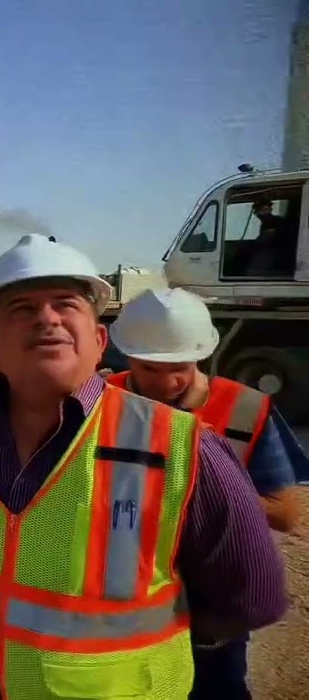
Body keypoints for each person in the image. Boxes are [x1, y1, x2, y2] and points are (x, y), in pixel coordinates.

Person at [0, 234, 288, 699]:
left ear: (99, 342)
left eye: (66, 304)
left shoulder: (179, 445)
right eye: (21, 308)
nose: (47, 318)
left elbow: (250, 595)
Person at [105, 286, 309, 700]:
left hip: (209, 609)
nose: (166, 381)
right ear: (127, 357)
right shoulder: (100, 401)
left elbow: (285, 513)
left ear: (201, 354)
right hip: (118, 598)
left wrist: (197, 481)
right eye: (149, 368)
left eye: (178, 366)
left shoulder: (244, 410)